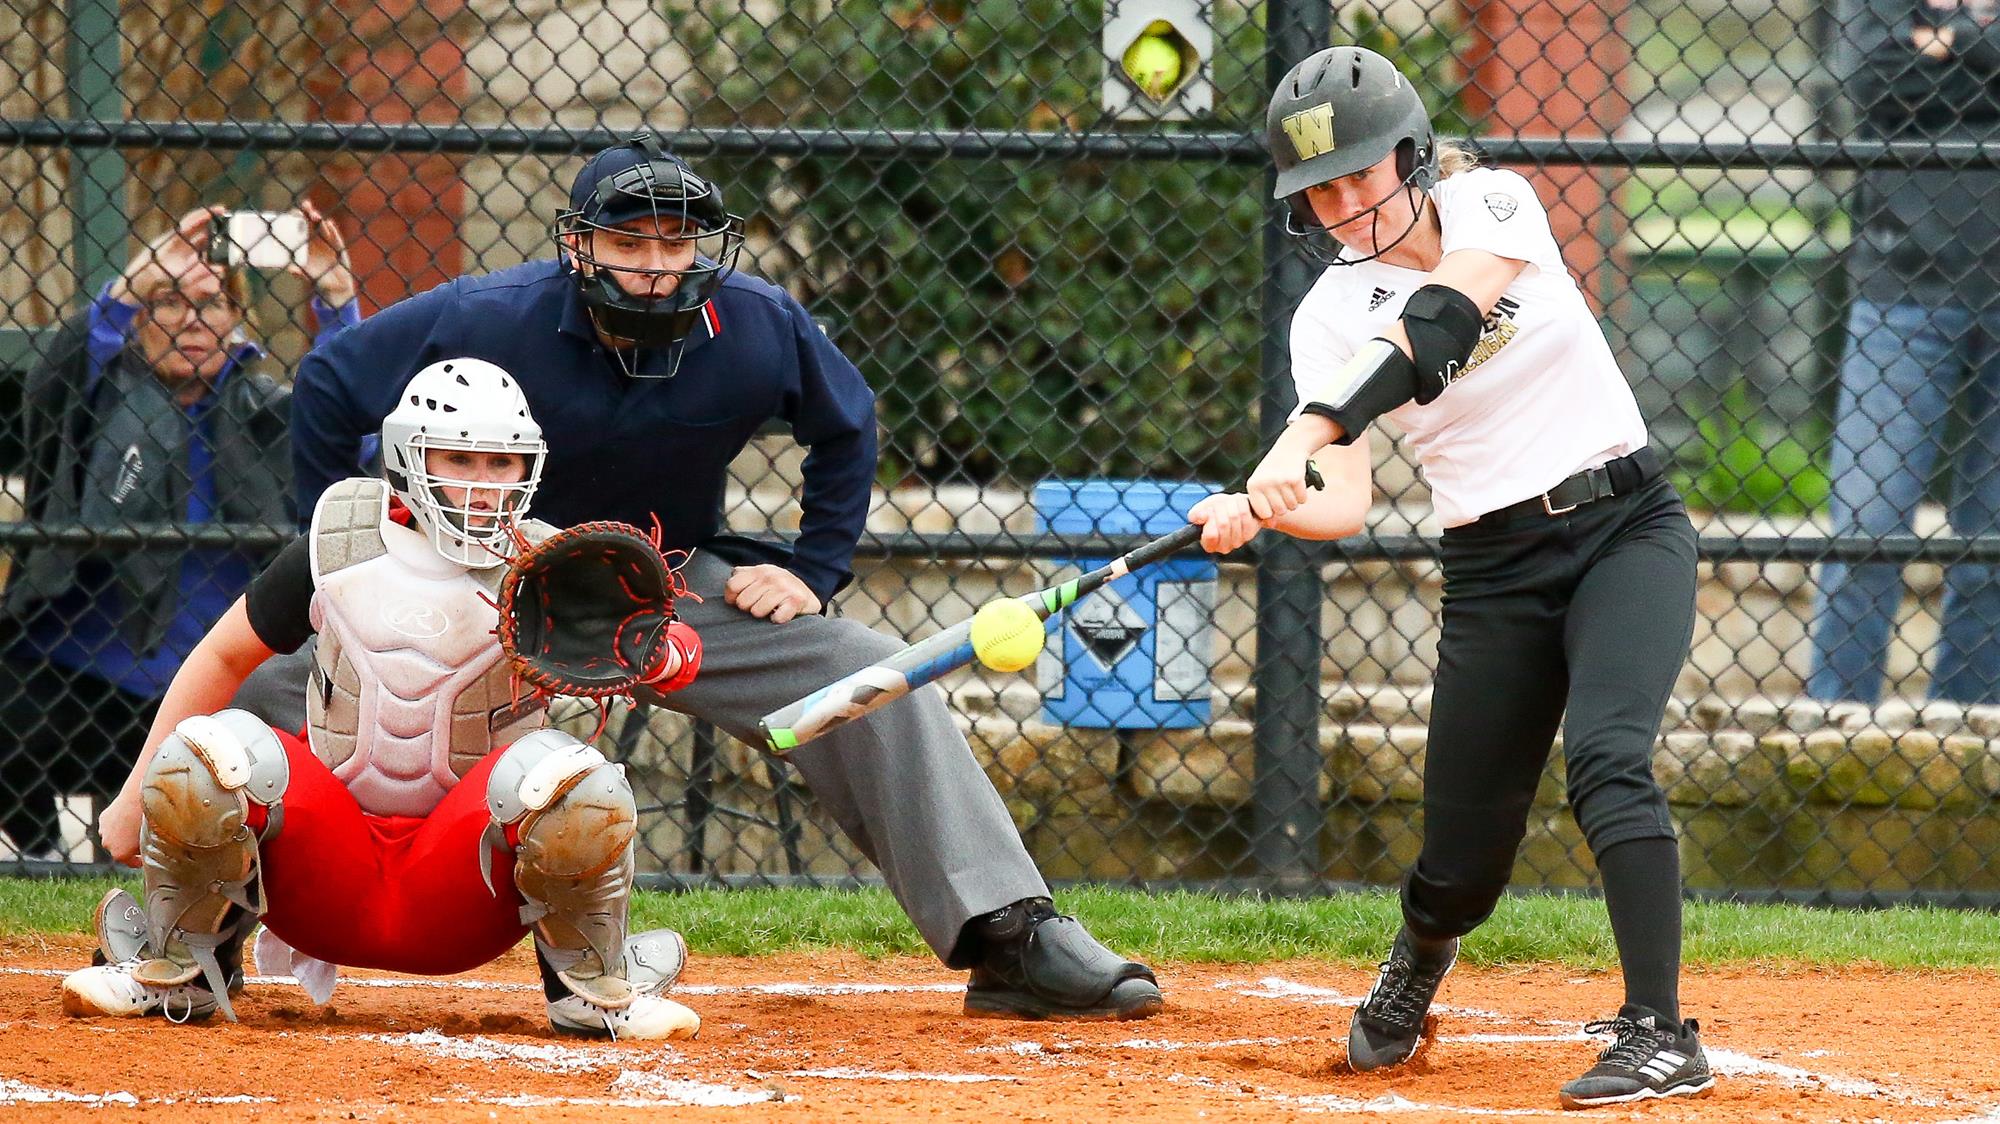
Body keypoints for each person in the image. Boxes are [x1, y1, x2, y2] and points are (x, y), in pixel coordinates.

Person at [285, 134, 1163, 1021]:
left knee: (871, 677)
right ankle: (198, 929)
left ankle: (1008, 935)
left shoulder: (751, 320)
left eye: (677, 244)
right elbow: (328, 383)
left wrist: (813, 571)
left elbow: (847, 425)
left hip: (664, 588)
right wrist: (358, 570)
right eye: (629, 244)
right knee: (266, 687)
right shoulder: (490, 315)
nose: (658, 269)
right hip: (478, 574)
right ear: (576, 245)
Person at [1188, 47, 1712, 1108]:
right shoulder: (1323, 318)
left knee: (1608, 756)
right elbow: (1344, 501)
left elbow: (1438, 321)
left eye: (1356, 176)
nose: (1339, 207)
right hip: (1492, 566)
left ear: (1412, 156)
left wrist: (1306, 424)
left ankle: (1658, 1029)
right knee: (1460, 861)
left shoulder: (1492, 205)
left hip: (1625, 525)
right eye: (1316, 192)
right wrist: (1270, 504)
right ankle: (1420, 951)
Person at [61, 357, 705, 1039]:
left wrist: (657, 652)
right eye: (458, 458)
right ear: (406, 455)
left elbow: (679, 657)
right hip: (320, 879)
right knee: (211, 754)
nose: (482, 486)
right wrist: (135, 799)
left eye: (502, 464)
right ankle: (178, 973)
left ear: (529, 469)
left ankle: (590, 988)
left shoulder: (551, 570)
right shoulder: (342, 541)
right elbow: (222, 656)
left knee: (573, 778)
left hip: (465, 891)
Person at [0, 204, 358, 861]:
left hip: (221, 687)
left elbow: (340, 418)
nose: (193, 319)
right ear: (139, 319)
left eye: (215, 302)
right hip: (88, 677)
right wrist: (132, 285)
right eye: (169, 302)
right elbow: (54, 379)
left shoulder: (265, 409)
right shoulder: (96, 398)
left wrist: (335, 301)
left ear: (237, 321)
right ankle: (43, 860)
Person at [1807, 0, 2000, 704]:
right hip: (1903, 284)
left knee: (1994, 546)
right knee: (1867, 526)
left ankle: (1971, 732)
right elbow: (1878, 82)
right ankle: (1832, 725)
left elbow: (1912, 83)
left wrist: (1956, 42)